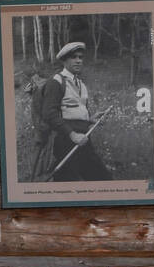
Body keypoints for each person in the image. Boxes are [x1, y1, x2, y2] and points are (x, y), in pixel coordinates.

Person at [34, 41, 111, 182]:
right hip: (65, 140)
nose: (78, 61)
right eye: (74, 57)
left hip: (83, 140)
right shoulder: (56, 82)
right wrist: (72, 134)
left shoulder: (82, 85)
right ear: (64, 60)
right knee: (70, 181)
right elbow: (49, 114)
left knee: (101, 178)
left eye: (81, 57)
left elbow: (76, 112)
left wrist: (91, 118)